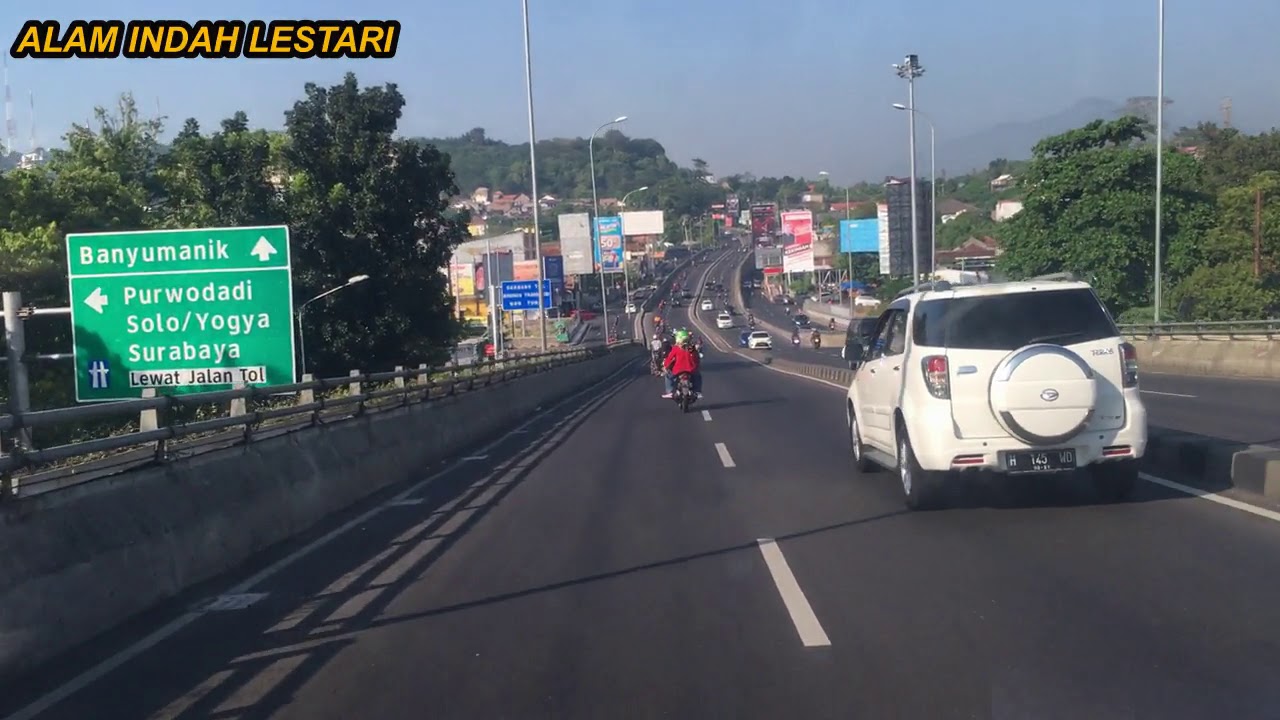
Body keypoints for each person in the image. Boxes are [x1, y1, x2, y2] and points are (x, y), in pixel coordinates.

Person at [662, 329, 703, 399]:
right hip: (691, 369)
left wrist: (665, 366)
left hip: (677, 370)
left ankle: (670, 392)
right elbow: (696, 359)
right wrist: (696, 366)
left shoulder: (676, 348)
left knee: (668, 376)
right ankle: (697, 391)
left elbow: (669, 358)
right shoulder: (692, 348)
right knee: (698, 377)